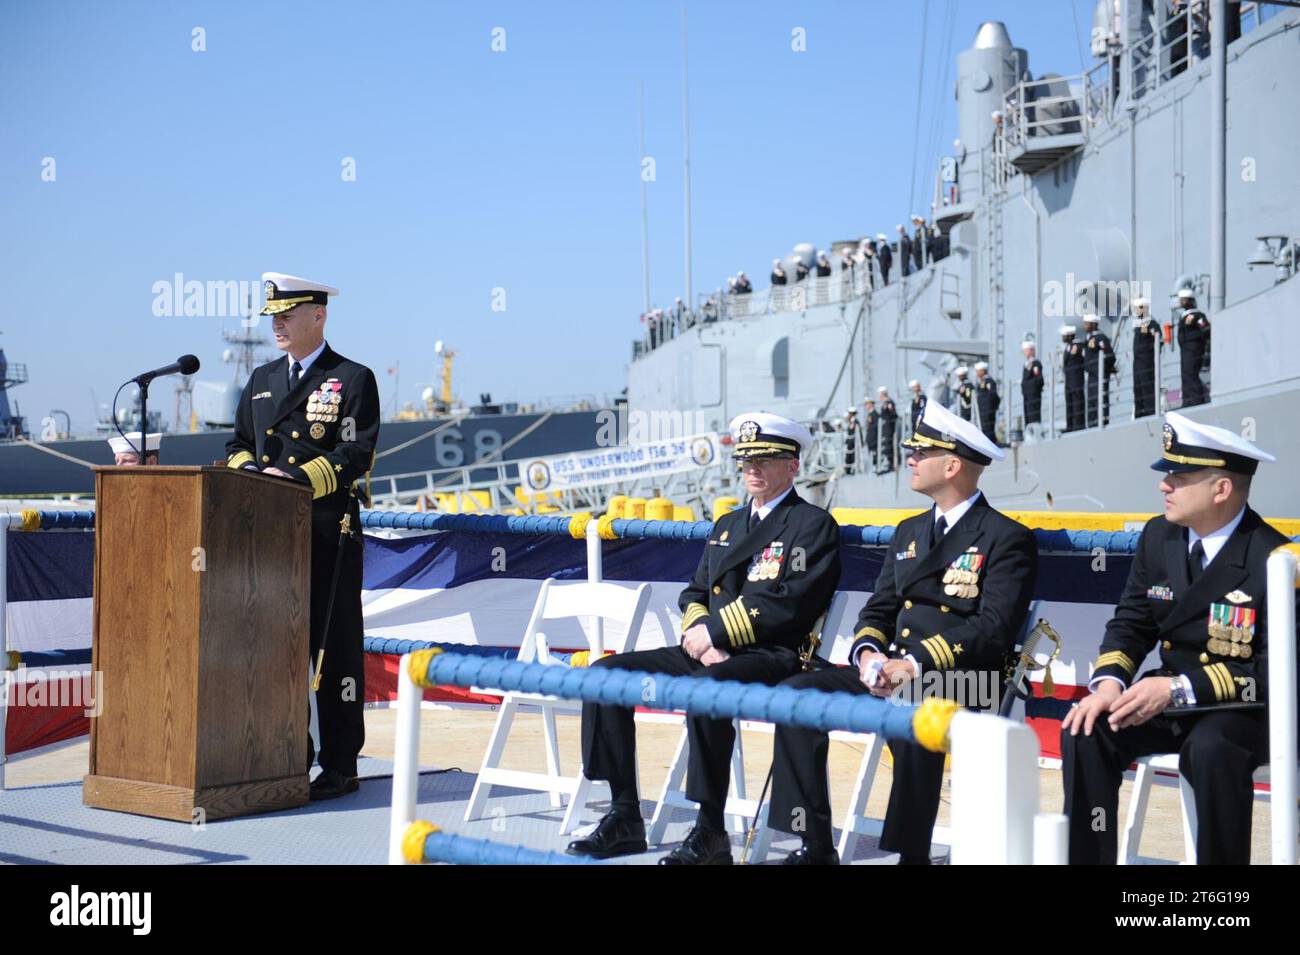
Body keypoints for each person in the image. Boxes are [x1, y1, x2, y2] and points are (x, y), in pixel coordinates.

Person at [768, 398, 1037, 864]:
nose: (910, 459)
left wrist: (911, 665)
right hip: (892, 669)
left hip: (963, 678)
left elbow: (993, 630)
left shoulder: (1004, 537)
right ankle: (813, 843)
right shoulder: (909, 532)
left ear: (952, 465)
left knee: (915, 712)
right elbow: (880, 608)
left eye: (920, 453)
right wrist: (869, 655)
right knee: (797, 694)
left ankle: (909, 856)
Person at [567, 413, 842, 864]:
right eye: (747, 460)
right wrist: (701, 637)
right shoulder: (728, 525)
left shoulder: (810, 525)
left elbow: (790, 603)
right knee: (605, 675)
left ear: (792, 465)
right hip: (711, 649)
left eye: (767, 460)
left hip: (773, 655)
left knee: (705, 691)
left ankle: (710, 830)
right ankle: (624, 816)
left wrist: (716, 632)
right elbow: (694, 592)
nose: (753, 469)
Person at [1061, 412, 1286, 864]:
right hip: (1167, 698)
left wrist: (1175, 689)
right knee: (1087, 729)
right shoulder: (1159, 537)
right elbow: (1132, 622)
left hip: (1242, 709)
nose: (1164, 485)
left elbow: (1274, 671)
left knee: (1210, 748)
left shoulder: (1271, 557)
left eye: (1178, 476)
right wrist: (1110, 685)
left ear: (1221, 489)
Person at [226, 272, 381, 800]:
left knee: (334, 653)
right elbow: (237, 444)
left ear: (318, 316)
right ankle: (286, 758)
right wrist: (253, 477)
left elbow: (355, 455)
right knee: (278, 650)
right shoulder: (263, 378)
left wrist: (290, 481)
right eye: (273, 316)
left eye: (287, 315)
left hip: (327, 533)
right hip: (269, 538)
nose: (277, 324)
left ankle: (340, 765)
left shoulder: (352, 378)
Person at [1176, 288, 1211, 407]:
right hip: (1186, 352)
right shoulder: (1185, 316)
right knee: (1186, 375)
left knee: (1192, 374)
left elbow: (1205, 329)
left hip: (1194, 350)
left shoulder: (1197, 315)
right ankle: (1187, 400)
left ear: (1190, 301)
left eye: (1184, 300)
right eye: (1181, 300)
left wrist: (1206, 349)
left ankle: (1196, 400)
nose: (1181, 302)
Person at [1082, 314, 1116, 427]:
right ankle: (1092, 425)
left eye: (1086, 324)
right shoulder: (1089, 339)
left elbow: (1110, 356)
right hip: (1091, 376)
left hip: (1099, 376)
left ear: (1093, 325)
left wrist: (1103, 369)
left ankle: (1102, 422)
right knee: (1091, 402)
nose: (1084, 326)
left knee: (1100, 400)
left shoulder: (1101, 338)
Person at [1132, 297, 1162, 418]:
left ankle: (1150, 412)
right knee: (1138, 389)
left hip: (1147, 363)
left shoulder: (1152, 324)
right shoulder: (1138, 326)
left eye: (1138, 308)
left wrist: (1149, 333)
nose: (1136, 311)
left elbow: (1158, 340)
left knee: (1147, 388)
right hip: (1137, 363)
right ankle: (1139, 414)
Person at [1061, 324, 1085, 432]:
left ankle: (1078, 425)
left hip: (1076, 380)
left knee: (1077, 403)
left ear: (1070, 336)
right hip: (1069, 381)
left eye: (1064, 336)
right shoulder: (1068, 347)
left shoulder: (1078, 346)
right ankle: (1070, 426)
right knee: (1069, 404)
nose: (1063, 338)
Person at [973, 361, 1000, 445]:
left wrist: (990, 407)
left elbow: (993, 395)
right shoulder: (981, 381)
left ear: (983, 371)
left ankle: (991, 442)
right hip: (982, 409)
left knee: (988, 427)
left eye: (978, 371)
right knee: (984, 427)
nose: (977, 373)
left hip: (987, 409)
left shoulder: (989, 381)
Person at [1020, 340, 1044, 428]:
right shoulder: (1026, 364)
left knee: (1033, 416)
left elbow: (1039, 379)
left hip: (1033, 395)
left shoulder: (1035, 364)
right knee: (1028, 416)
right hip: (1027, 395)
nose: (1024, 352)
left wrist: (1031, 387)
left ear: (1032, 350)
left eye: (1026, 350)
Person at [877, 386, 899, 473]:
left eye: (880, 394)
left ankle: (891, 463)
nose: (879, 396)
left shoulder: (889, 402)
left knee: (889, 444)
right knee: (886, 444)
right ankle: (888, 462)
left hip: (889, 427)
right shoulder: (885, 402)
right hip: (886, 427)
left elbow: (892, 414)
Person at [863, 397, 879, 471]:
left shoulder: (875, 414)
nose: (866, 406)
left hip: (874, 437)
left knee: (875, 452)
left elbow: (875, 426)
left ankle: (875, 465)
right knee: (871, 452)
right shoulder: (870, 414)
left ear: (871, 404)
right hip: (870, 438)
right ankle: (873, 465)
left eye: (867, 404)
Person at [843, 407, 861, 474]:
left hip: (853, 442)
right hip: (851, 442)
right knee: (849, 456)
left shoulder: (854, 421)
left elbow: (851, 429)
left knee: (851, 456)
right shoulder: (852, 421)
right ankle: (848, 469)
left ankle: (850, 470)